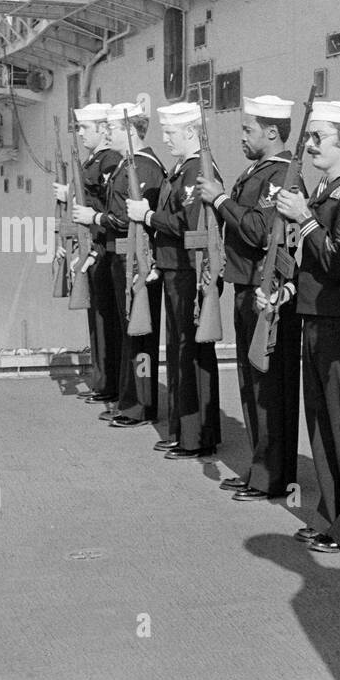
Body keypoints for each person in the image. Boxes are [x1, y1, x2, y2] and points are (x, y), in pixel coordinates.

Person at [275, 100, 340, 553]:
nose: (311, 144)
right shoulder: (326, 190)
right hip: (316, 317)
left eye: (319, 137)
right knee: (322, 424)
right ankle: (332, 512)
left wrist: (304, 218)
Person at [198, 95, 302, 502]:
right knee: (251, 384)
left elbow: (260, 230)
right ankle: (261, 470)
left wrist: (221, 200)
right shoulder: (258, 172)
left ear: (272, 133)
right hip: (247, 288)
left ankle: (272, 476)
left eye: (248, 129)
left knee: (268, 388)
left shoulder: (279, 176)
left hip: (266, 294)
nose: (242, 136)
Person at [127, 101, 223, 458]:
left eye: (170, 133)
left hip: (189, 271)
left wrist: (148, 215)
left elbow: (188, 224)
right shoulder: (183, 168)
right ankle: (184, 430)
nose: (164, 138)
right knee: (179, 351)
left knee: (191, 352)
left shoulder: (198, 169)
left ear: (190, 132)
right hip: (174, 268)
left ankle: (198, 436)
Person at [101, 101, 165, 429]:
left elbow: (134, 216)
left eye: (110, 128)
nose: (104, 133)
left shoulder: (145, 166)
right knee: (130, 334)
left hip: (137, 262)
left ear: (128, 130)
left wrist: (98, 217)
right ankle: (129, 398)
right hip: (123, 258)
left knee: (140, 337)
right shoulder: (128, 164)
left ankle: (141, 404)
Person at [56, 103, 121, 409]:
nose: (81, 133)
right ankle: (103, 380)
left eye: (86, 128)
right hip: (91, 246)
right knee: (97, 321)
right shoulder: (94, 161)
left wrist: (93, 243)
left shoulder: (110, 162)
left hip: (103, 248)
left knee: (107, 321)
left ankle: (110, 383)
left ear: (103, 130)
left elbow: (109, 209)